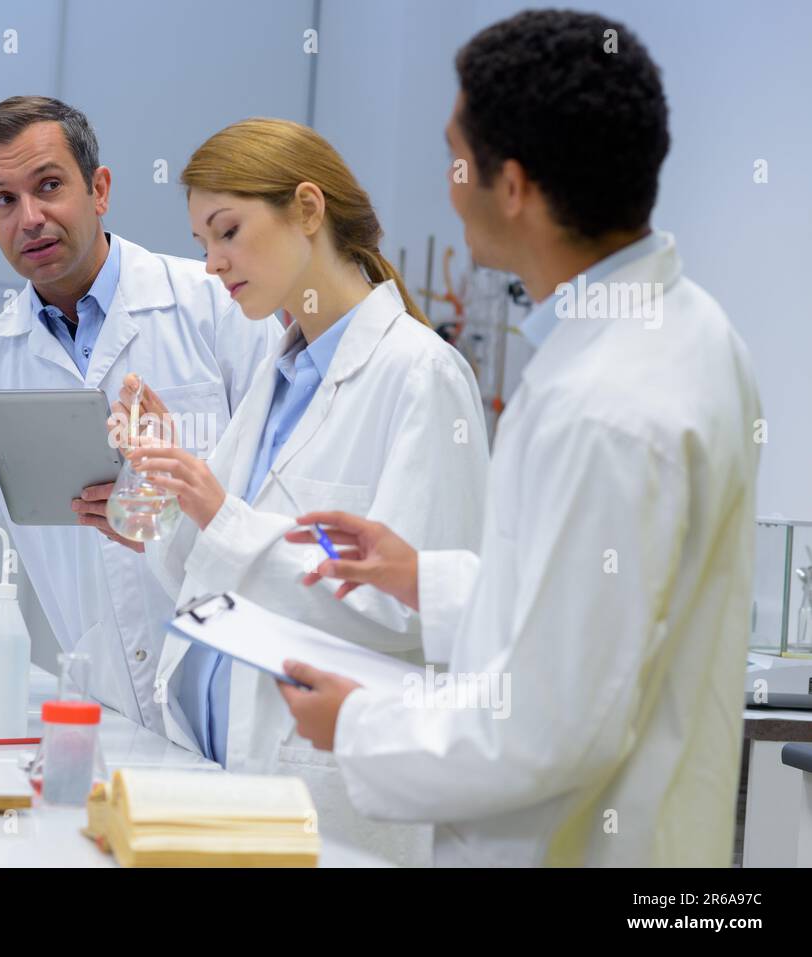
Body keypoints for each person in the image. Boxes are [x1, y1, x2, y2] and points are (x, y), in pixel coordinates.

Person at [277, 10, 762, 866]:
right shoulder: (684, 328)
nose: (448, 182)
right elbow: (593, 611)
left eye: (458, 156)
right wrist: (424, 577)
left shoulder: (606, 401)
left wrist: (353, 723)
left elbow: (544, 726)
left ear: (514, 187)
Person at [102, 118, 489, 860]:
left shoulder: (420, 375)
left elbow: (414, 607)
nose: (212, 263)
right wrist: (164, 479)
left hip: (329, 798)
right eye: (201, 244)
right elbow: (203, 582)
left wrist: (222, 513)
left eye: (227, 231)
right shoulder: (276, 379)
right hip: (220, 779)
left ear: (308, 210)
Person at [0, 97, 278, 732]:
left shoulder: (219, 311)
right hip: (113, 715)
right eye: (3, 200)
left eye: (48, 186)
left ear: (99, 189)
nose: (31, 218)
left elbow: (283, 498)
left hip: (242, 694)